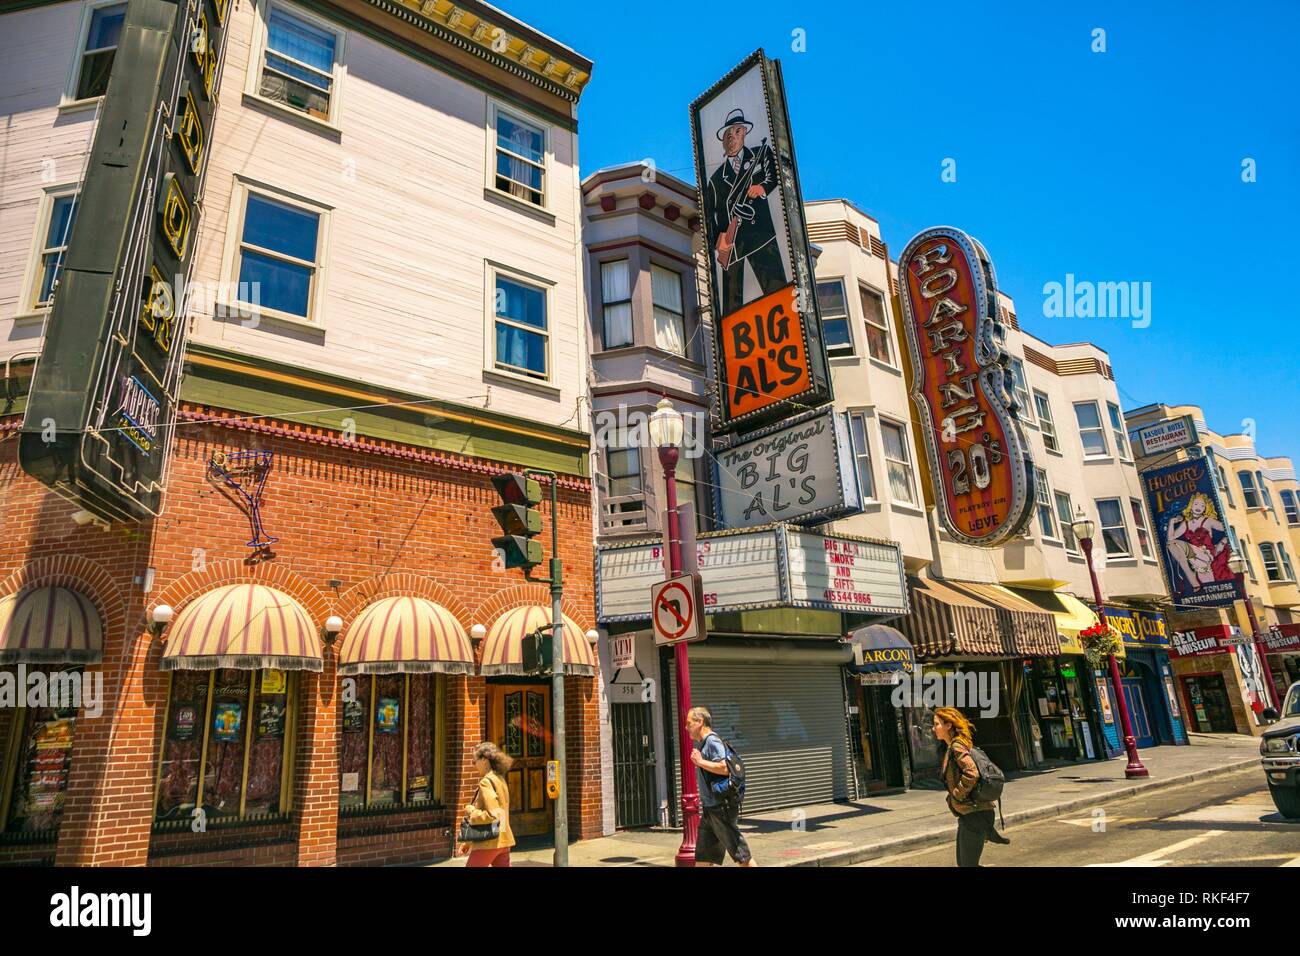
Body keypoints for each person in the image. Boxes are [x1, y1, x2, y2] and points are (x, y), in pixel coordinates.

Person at [704, 108, 788, 318]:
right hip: (734, 247)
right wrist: (718, 241)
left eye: (737, 132)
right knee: (731, 313)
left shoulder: (760, 154)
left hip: (761, 236)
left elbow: (774, 177)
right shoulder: (715, 179)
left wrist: (762, 189)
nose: (732, 138)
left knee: (779, 297)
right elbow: (709, 216)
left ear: (745, 133)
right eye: (728, 135)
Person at [934, 707, 1009, 868]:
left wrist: (957, 794)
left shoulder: (957, 746)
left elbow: (971, 772)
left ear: (948, 725)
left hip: (976, 814)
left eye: (936, 724)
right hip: (970, 814)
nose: (933, 729)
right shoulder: (955, 746)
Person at [686, 705, 756, 867]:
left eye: (689, 723)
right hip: (711, 809)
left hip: (720, 808)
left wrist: (700, 762)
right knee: (703, 858)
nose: (686, 727)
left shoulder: (712, 741)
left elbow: (725, 768)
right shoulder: (705, 743)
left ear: (700, 722)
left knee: (741, 855)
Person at [459, 741, 516, 867]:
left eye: (474, 761)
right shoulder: (500, 779)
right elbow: (500, 814)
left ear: (484, 760)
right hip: (503, 839)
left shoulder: (486, 782)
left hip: (489, 842)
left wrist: (471, 812)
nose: (474, 765)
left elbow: (493, 815)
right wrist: (468, 842)